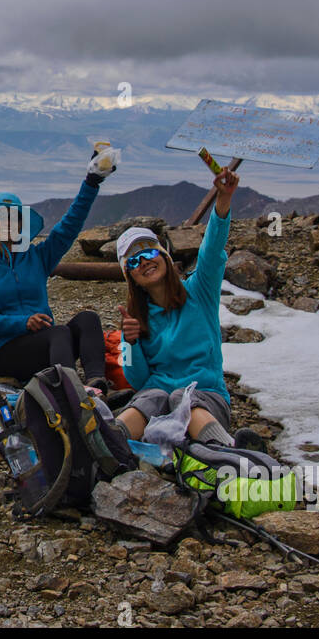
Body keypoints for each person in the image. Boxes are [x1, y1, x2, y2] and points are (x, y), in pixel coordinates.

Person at [114, 166, 260, 451]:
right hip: (156, 402)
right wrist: (130, 342)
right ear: (130, 276)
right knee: (151, 397)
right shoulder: (134, 319)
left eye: (149, 251)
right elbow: (138, 380)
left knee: (184, 398)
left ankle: (226, 450)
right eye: (133, 261)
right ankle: (107, 443)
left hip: (205, 397)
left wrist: (223, 200)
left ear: (165, 256)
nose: (144, 262)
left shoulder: (200, 290)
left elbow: (211, 250)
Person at [0, 149, 115, 389]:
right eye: (0, 217)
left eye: (14, 217)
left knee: (88, 319)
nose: (7, 222)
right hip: (8, 353)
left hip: (50, 344)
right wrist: (23, 323)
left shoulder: (38, 257)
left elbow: (69, 226)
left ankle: (96, 384)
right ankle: (70, 393)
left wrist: (92, 181)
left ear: (21, 224)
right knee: (59, 332)